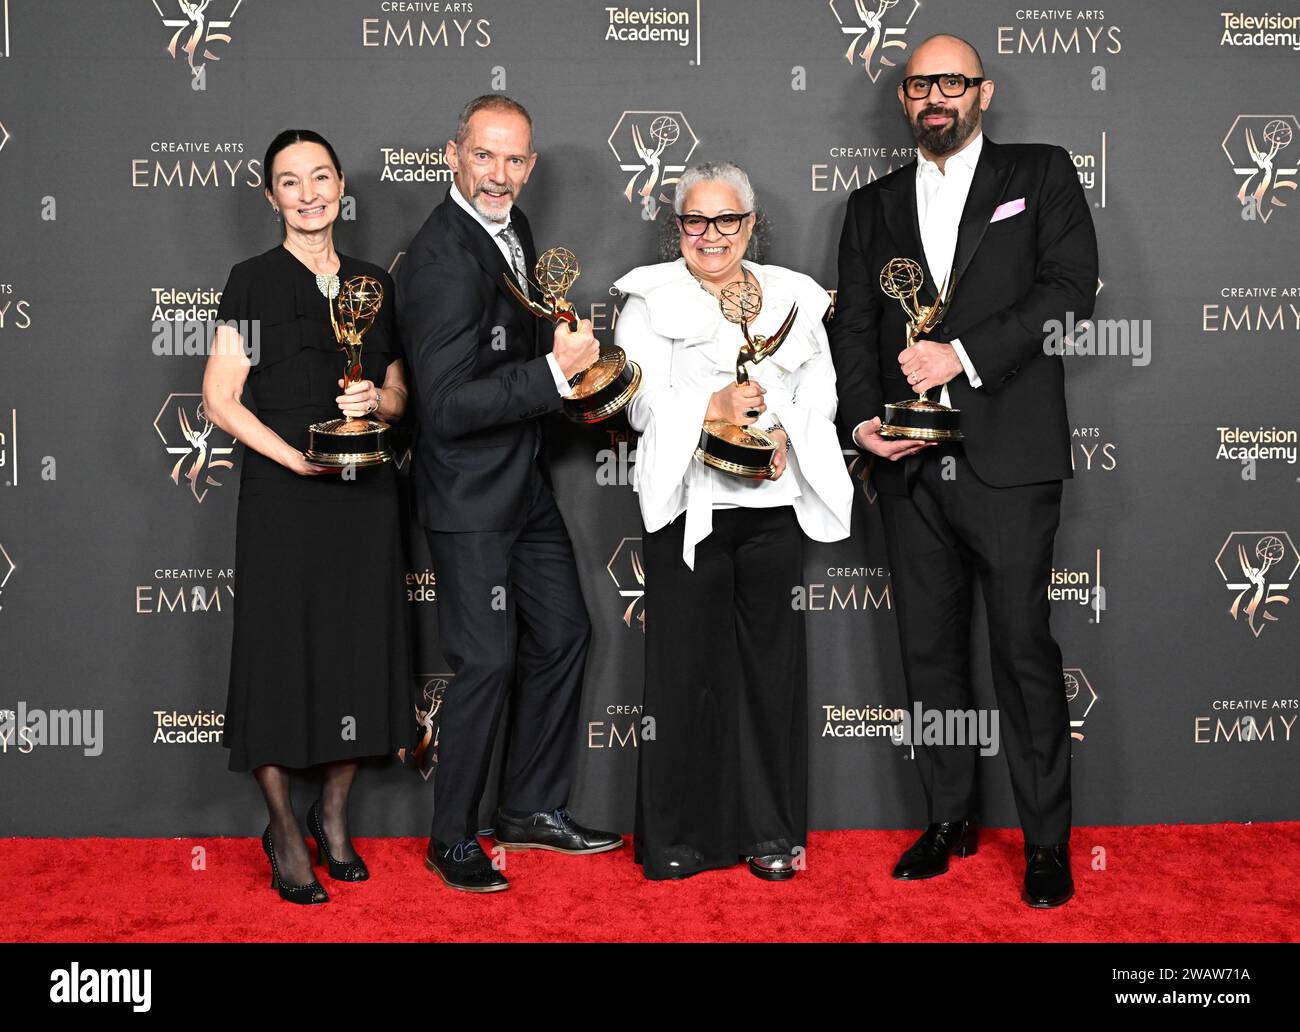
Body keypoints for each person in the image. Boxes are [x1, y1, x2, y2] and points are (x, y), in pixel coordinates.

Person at [829, 34, 1098, 907]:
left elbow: (1070, 287)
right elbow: (855, 332)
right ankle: (949, 816)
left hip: (1009, 459)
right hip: (907, 468)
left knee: (1022, 651)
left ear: (983, 91)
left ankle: (1047, 841)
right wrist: (863, 422)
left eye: (951, 82)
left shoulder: (1042, 171)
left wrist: (963, 357)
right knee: (928, 654)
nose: (935, 97)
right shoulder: (870, 206)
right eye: (919, 85)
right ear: (904, 100)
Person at [396, 95, 622, 894]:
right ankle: (452, 837)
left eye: (514, 160)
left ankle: (528, 808)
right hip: (466, 498)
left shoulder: (511, 230)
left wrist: (588, 390)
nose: (499, 175)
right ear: (453, 153)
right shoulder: (436, 260)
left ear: (529, 165)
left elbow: (521, 359)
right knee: (486, 661)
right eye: (484, 156)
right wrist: (556, 374)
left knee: (563, 634)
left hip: (522, 484)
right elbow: (448, 405)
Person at [614, 160, 854, 881]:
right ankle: (675, 838)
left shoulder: (794, 298)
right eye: (695, 220)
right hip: (689, 509)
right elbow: (638, 404)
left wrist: (784, 434)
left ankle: (772, 833)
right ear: (677, 227)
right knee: (683, 674)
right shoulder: (645, 300)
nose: (711, 236)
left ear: (751, 225)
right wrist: (711, 408)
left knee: (770, 674)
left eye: (727, 221)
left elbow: (824, 394)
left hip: (771, 513)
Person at [203, 129, 415, 905]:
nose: (309, 192)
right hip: (285, 498)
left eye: (320, 176)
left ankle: (332, 815)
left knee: (356, 649)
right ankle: (282, 828)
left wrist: (377, 403)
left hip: (363, 493)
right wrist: (291, 457)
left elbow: (397, 393)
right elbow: (220, 399)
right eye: (290, 182)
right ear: (271, 197)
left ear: (340, 186)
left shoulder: (372, 284)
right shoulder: (250, 282)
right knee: (277, 653)